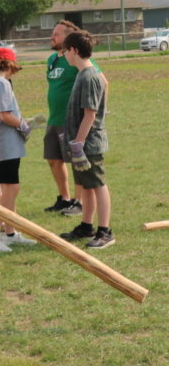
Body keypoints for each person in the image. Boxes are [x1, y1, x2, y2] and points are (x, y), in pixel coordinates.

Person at [43, 21, 108, 215]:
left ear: (69, 41)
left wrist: (99, 113)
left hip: (74, 122)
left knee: (80, 168)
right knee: (54, 159)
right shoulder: (52, 59)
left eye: (57, 34)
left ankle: (79, 203)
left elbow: (102, 82)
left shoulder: (81, 63)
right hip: (54, 118)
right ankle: (65, 199)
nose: (52, 37)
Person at [0, 47, 40, 253]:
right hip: (5, 145)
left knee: (9, 190)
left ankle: (10, 233)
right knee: (11, 190)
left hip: (0, 143)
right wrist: (24, 125)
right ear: (9, 64)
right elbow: (5, 115)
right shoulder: (1, 83)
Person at [59, 31, 114, 248]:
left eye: (65, 51)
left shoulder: (90, 76)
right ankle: (86, 226)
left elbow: (90, 114)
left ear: (73, 50)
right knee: (86, 186)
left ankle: (105, 231)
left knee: (98, 184)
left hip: (89, 143)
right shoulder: (81, 74)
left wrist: (78, 144)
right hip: (80, 143)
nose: (64, 55)